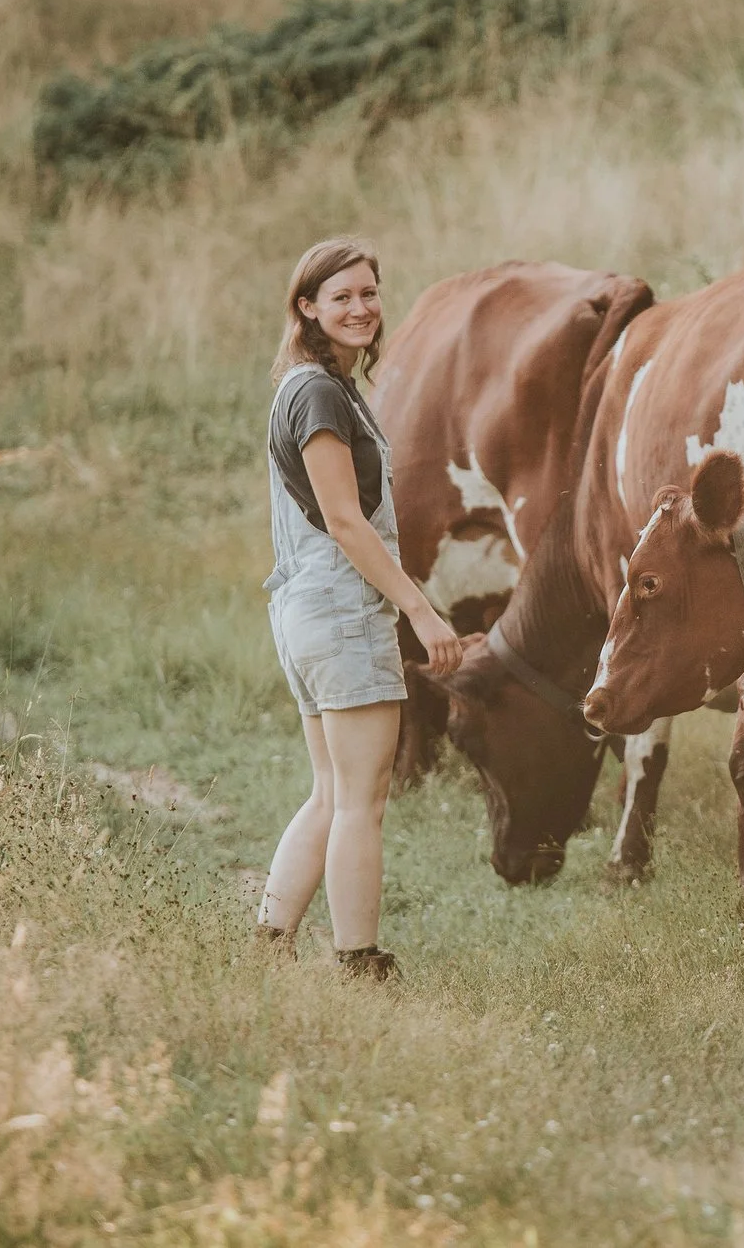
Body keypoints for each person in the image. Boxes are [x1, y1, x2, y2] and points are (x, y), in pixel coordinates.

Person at [254, 238, 464, 979]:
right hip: (340, 611)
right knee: (360, 801)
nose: (362, 307)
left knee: (331, 791)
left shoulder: (317, 387)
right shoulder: (315, 392)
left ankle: (270, 940)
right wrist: (422, 611)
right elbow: (344, 519)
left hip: (306, 609)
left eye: (370, 292)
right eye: (342, 295)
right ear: (306, 305)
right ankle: (358, 963)